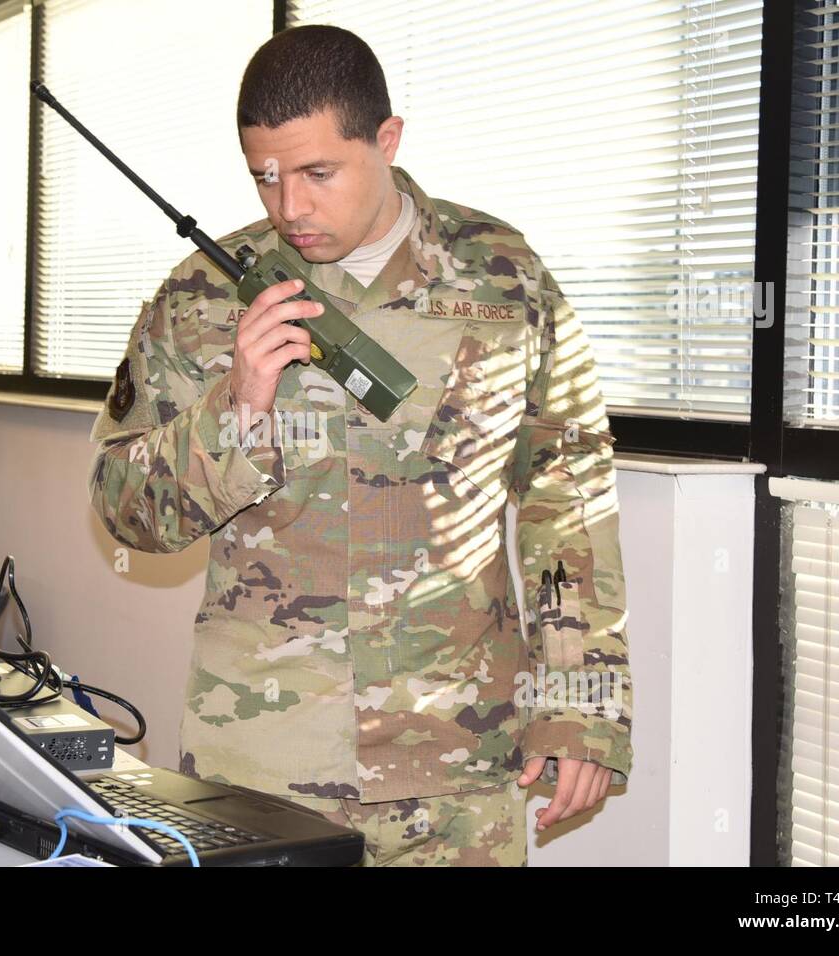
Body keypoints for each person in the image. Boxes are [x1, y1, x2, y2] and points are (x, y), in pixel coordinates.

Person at [87, 24, 632, 866]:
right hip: (263, 767)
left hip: (459, 772)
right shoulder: (203, 296)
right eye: (264, 177)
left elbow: (571, 504)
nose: (289, 208)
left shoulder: (500, 276)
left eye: (317, 173)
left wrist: (581, 708)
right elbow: (121, 510)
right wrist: (238, 410)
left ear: (387, 141)